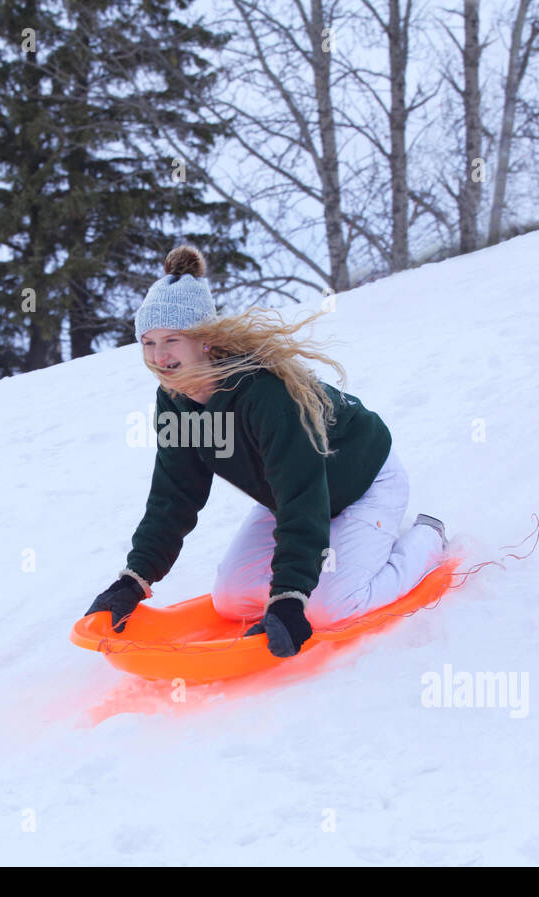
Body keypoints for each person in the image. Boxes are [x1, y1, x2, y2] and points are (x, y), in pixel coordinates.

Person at [85, 245, 447, 658]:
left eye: (172, 339)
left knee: (331, 607)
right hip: (297, 496)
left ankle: (425, 539)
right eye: (148, 342)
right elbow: (174, 496)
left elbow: (301, 493)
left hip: (363, 483)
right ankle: (342, 551)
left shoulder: (263, 393)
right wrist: (136, 577)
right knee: (231, 598)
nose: (159, 356)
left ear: (204, 340)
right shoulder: (176, 400)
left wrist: (290, 596)